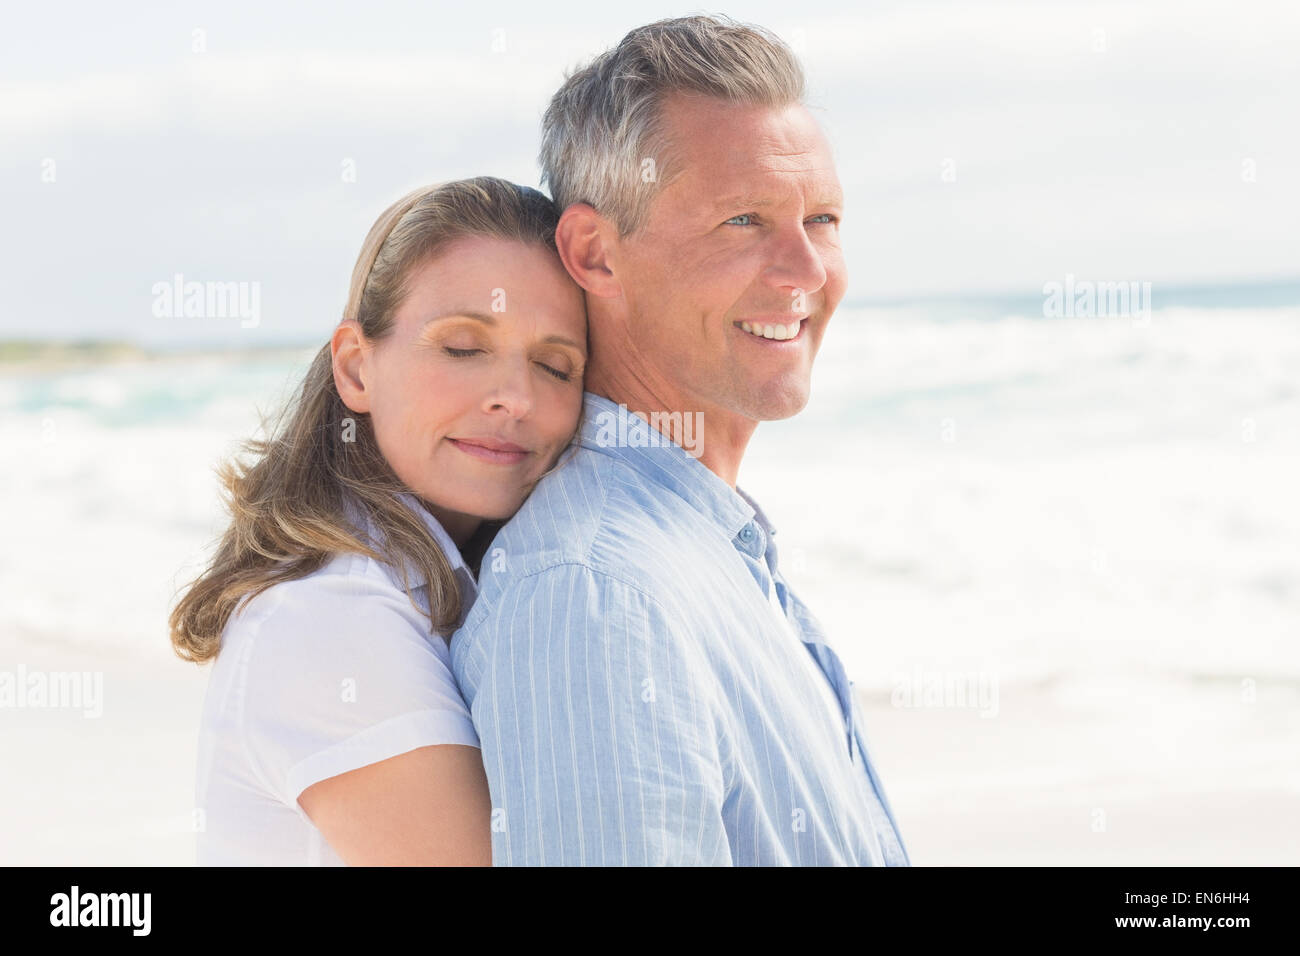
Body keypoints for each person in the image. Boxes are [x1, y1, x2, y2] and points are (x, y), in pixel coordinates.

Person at [450, 15, 912, 865]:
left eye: (822, 219)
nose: (807, 271)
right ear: (596, 253)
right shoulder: (593, 599)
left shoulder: (703, 543)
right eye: (744, 221)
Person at [169, 177, 587, 865]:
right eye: (463, 347)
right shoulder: (331, 613)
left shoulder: (459, 580)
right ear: (357, 369)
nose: (515, 397)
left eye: (554, 365)